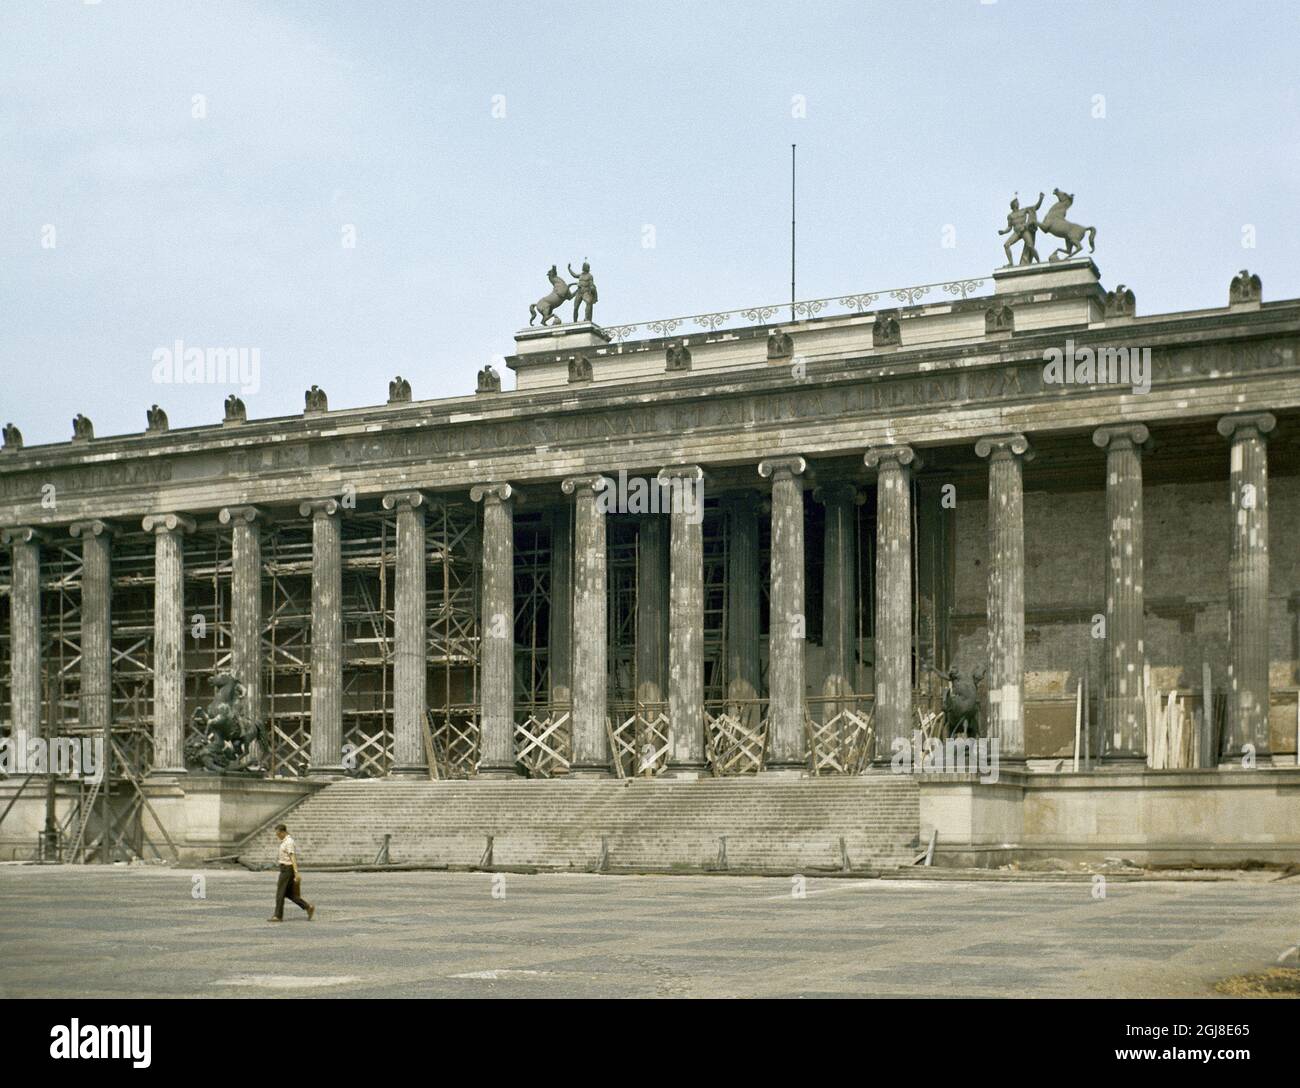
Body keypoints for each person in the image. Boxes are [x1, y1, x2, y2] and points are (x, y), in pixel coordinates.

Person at [268, 824, 315, 922]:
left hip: (287, 869)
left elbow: (292, 857)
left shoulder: (289, 842)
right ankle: (308, 907)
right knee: (289, 894)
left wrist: (296, 872)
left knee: (280, 893)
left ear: (283, 832)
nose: (277, 836)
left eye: (278, 834)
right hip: (285, 869)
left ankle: (278, 915)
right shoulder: (284, 841)